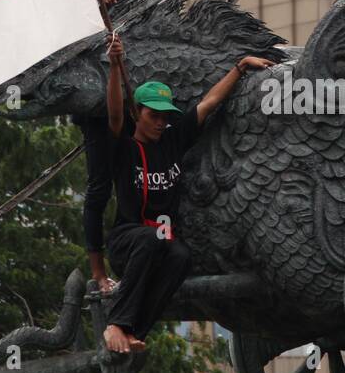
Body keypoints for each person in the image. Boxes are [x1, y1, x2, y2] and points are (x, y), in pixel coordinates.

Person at [101, 32, 272, 354]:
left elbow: (208, 103)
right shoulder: (125, 147)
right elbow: (113, 115)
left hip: (161, 245)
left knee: (181, 256)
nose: (160, 123)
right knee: (154, 241)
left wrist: (240, 67)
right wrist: (113, 65)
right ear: (138, 113)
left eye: (166, 117)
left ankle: (136, 331)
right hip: (128, 242)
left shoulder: (172, 140)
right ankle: (115, 324)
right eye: (154, 115)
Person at [73, 0, 141, 294]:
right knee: (100, 187)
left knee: (135, 183)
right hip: (98, 113)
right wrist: (101, 6)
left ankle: (129, 257)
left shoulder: (137, 7)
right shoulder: (88, 11)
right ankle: (99, 273)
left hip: (133, 107)